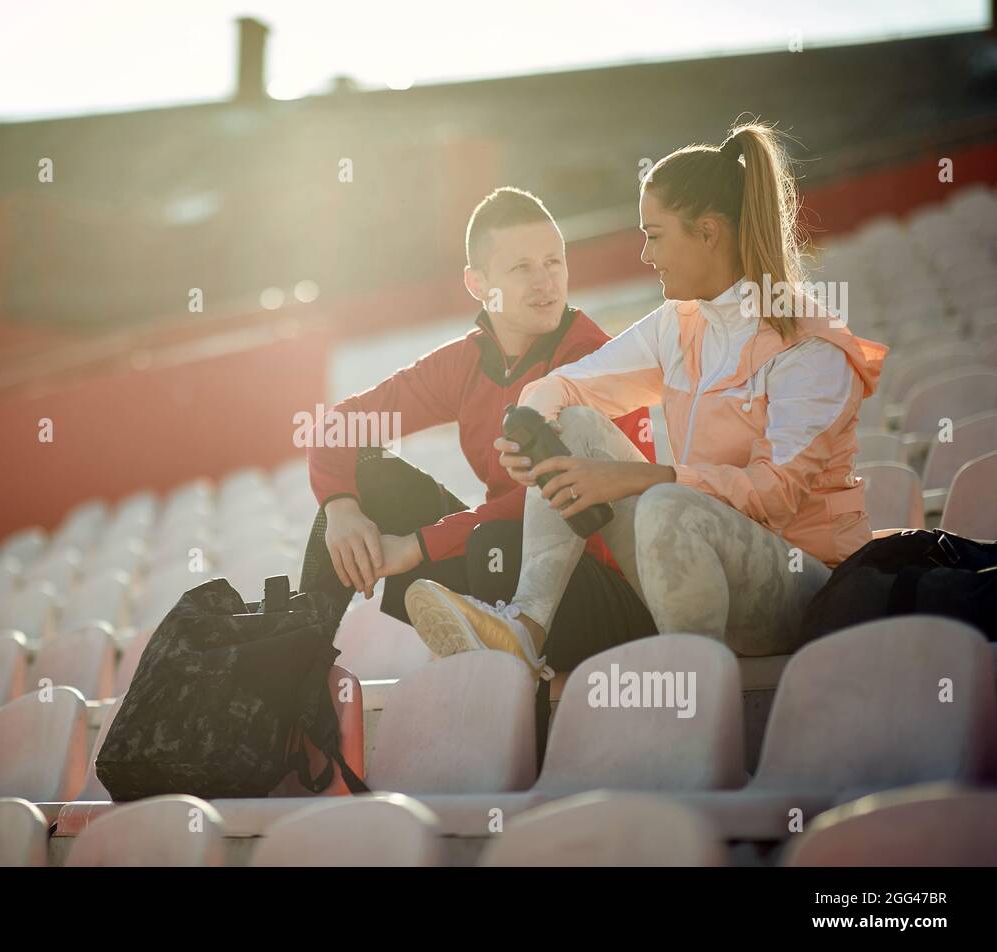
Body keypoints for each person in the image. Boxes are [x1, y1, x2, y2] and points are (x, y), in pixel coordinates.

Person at [405, 121, 888, 670]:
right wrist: (530, 430)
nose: (644, 253)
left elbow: (772, 495)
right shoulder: (677, 324)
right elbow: (562, 385)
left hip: (809, 591)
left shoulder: (811, 348)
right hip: (696, 559)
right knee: (575, 427)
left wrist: (639, 478)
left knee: (665, 505)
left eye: (655, 235)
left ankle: (694, 697)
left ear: (707, 234)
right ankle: (526, 626)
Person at [300, 187, 658, 677]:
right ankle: (299, 663)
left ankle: (506, 646)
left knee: (501, 539)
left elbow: (545, 498)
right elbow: (340, 426)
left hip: (607, 595)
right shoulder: (468, 362)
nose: (545, 282)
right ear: (477, 283)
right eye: (522, 268)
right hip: (501, 571)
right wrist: (340, 508)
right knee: (367, 479)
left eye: (554, 262)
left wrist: (419, 546)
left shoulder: (590, 358)